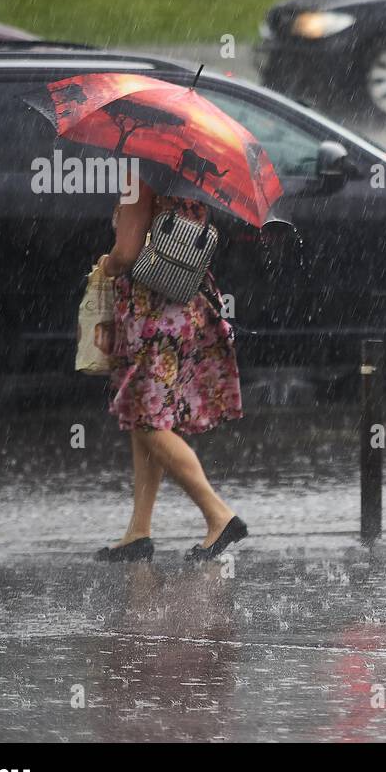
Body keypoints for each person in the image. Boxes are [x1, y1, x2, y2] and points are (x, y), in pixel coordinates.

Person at [93, 182, 247, 563]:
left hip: (151, 312)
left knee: (147, 421)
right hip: (185, 305)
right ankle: (138, 531)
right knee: (144, 415)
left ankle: (218, 515)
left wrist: (104, 265)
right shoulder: (193, 171)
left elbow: (126, 252)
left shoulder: (140, 174)